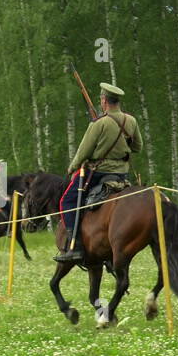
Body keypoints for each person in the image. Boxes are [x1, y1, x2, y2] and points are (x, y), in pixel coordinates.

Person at [55, 82, 143, 263]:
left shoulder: (99, 123)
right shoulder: (131, 121)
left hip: (97, 173)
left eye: (101, 99)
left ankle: (74, 245)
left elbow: (84, 151)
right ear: (116, 101)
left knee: (67, 200)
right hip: (122, 175)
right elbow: (137, 147)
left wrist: (72, 167)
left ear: (104, 101)